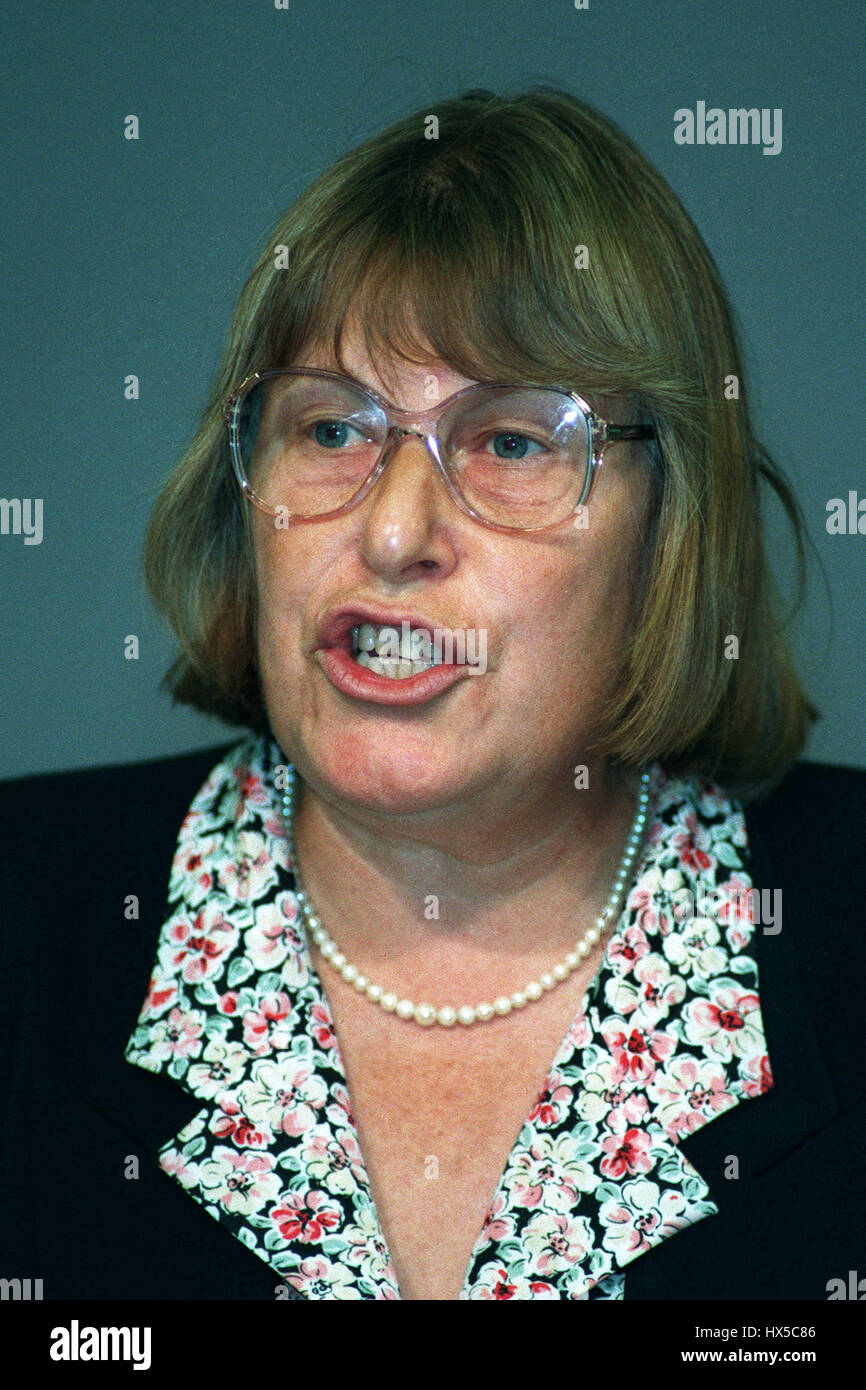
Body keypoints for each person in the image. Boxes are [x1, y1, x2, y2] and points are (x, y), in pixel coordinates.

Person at [2, 86, 864, 1303]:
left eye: (511, 442)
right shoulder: (24, 909)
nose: (395, 530)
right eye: (332, 430)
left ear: (669, 524)